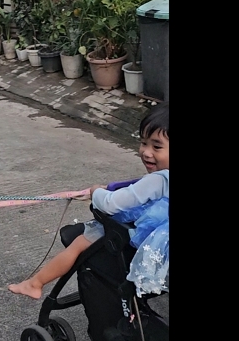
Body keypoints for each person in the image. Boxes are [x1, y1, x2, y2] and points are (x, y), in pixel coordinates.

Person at [9, 104, 170, 299]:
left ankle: (35, 284)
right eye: (144, 143)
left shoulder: (159, 179)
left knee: (79, 244)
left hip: (141, 231)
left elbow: (111, 204)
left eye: (156, 146)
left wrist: (95, 193)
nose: (146, 152)